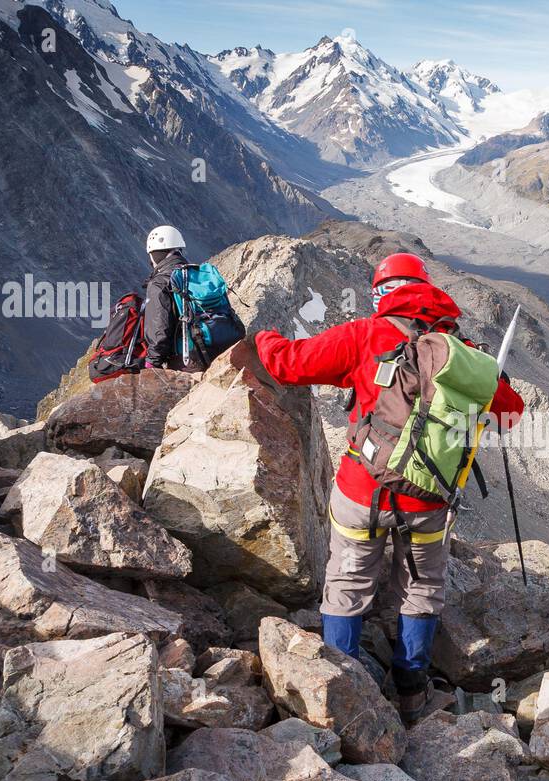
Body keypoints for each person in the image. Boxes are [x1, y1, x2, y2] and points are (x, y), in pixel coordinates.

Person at [251, 252, 525, 722]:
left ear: (381, 294)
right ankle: (412, 696)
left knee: (347, 583)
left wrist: (262, 336)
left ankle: (341, 694)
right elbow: (509, 412)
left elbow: (288, 365)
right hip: (428, 499)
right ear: (428, 292)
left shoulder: (363, 335)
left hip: (361, 490)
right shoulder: (462, 351)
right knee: (421, 591)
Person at [141, 224, 202, 371]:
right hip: (214, 347)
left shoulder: (159, 283)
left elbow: (160, 328)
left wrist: (152, 362)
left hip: (187, 359)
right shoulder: (196, 272)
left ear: (155, 253)